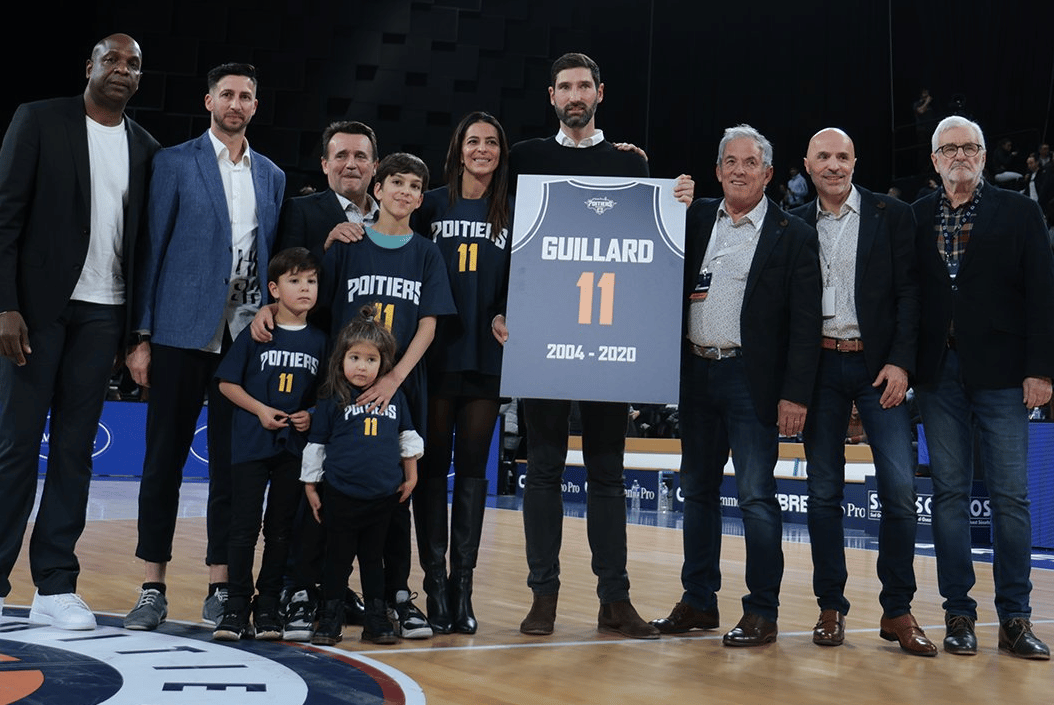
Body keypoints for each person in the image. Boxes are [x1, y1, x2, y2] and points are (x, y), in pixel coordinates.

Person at [509, 52, 692, 640]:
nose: (575, 95)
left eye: (584, 85)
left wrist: (678, 198)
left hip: (610, 342)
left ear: (600, 93)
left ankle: (615, 600)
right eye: (565, 86)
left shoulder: (630, 162)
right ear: (552, 95)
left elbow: (650, 244)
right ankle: (543, 597)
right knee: (542, 469)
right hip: (545, 337)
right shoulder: (525, 158)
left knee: (608, 474)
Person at [0, 33, 159, 630]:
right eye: (111, 59)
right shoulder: (39, 120)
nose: (122, 69)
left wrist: (134, 332)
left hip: (104, 315)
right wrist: (5, 306)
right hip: (36, 313)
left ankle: (55, 585)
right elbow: (4, 216)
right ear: (88, 66)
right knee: (15, 447)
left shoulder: (146, 147)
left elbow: (143, 247)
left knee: (74, 452)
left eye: (132, 64)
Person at [123, 62, 285, 630]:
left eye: (246, 96)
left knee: (231, 471)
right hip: (178, 334)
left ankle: (221, 584)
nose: (236, 104)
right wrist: (142, 337)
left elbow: (270, 257)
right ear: (209, 101)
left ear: (255, 106)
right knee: (162, 462)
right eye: (227, 94)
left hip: (243, 341)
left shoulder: (272, 175)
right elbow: (151, 251)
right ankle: (152, 585)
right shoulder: (174, 162)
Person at [651, 124, 821, 647]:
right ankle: (699, 600)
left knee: (755, 497)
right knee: (697, 492)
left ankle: (762, 610)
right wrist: (639, 165)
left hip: (753, 381)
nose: (739, 171)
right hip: (697, 373)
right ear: (718, 170)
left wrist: (795, 394)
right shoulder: (697, 217)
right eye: (731, 162)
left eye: (750, 163)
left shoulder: (793, 233)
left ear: (768, 174)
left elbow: (805, 324)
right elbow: (647, 212)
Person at [913, 115, 1054, 660]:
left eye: (970, 147)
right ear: (934, 160)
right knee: (949, 496)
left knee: (1011, 498)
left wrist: (1041, 370)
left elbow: (1042, 294)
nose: (960, 156)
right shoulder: (915, 215)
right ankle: (959, 614)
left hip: (1004, 375)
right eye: (949, 148)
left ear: (984, 156)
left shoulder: (1019, 212)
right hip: (938, 376)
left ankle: (1015, 618)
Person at [790, 128, 934, 655]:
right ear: (808, 164)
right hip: (820, 369)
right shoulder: (792, 222)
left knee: (900, 492)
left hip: (879, 370)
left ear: (855, 161)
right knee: (823, 493)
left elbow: (911, 295)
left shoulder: (892, 214)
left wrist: (901, 363)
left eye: (843, 156)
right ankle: (830, 606)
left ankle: (897, 609)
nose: (834, 165)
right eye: (824, 157)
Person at [316, 151, 457, 639]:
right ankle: (327, 597)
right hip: (345, 388)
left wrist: (394, 380)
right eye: (397, 182)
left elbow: (429, 324)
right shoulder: (349, 244)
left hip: (401, 387)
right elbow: (315, 305)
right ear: (377, 189)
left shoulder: (426, 253)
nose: (406, 192)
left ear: (420, 199)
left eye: (415, 186)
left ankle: (395, 596)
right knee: (336, 490)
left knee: (395, 493)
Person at [410, 111, 512, 634]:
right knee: (431, 470)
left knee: (472, 471)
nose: (482, 150)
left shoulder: (513, 211)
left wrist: (509, 310)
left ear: (501, 151)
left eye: (491, 142)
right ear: (458, 148)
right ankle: (434, 588)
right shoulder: (429, 204)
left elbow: (529, 278)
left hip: (487, 358)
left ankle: (462, 588)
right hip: (434, 356)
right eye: (473, 141)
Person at [209, 247, 327, 640]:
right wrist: (260, 410)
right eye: (295, 281)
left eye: (311, 281)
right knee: (243, 526)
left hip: (293, 448)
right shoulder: (257, 333)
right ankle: (236, 605)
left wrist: (312, 413)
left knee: (280, 529)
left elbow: (328, 395)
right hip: (251, 444)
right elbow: (226, 384)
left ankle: (269, 604)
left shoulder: (320, 341)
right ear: (274, 289)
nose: (305, 288)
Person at [303, 307, 423, 645]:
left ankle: (376, 619)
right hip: (341, 495)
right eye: (355, 357)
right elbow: (316, 446)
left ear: (383, 364)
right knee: (337, 561)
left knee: (374, 561)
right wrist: (311, 486)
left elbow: (407, 438)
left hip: (382, 497)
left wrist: (411, 476)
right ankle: (330, 618)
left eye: (371, 360)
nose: (361, 366)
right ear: (341, 358)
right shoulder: (332, 398)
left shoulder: (395, 397)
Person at [277, 120, 380, 260]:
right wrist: (325, 248)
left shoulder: (393, 217)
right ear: (325, 165)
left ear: (375, 166)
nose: (351, 165)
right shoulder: (299, 210)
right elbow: (284, 269)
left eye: (360, 156)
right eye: (341, 156)